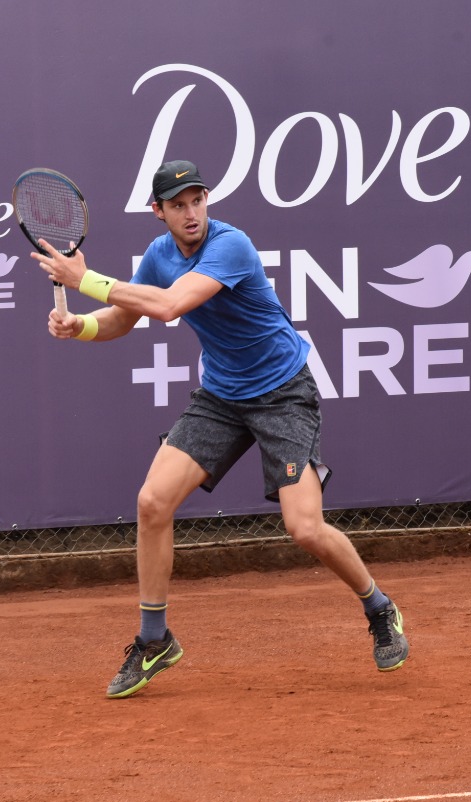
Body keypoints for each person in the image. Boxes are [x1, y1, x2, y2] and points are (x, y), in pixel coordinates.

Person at [31, 159, 409, 699]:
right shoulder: (161, 255)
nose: (191, 213)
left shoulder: (231, 246)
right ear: (158, 211)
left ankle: (378, 607)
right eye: (178, 205)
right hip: (222, 397)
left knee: (304, 528)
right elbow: (124, 319)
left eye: (198, 200)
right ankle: (154, 639)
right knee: (152, 503)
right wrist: (81, 325)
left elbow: (168, 307)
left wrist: (84, 279)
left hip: (283, 393)